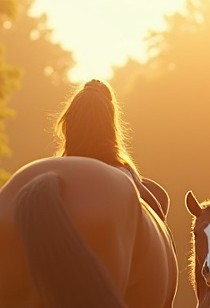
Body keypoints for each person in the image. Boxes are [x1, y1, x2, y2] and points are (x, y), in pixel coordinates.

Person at [54, 80, 169, 219]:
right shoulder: (123, 173)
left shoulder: (57, 168)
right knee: (159, 209)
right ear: (109, 125)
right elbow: (151, 203)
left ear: (69, 121)